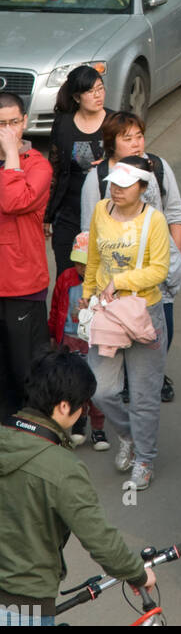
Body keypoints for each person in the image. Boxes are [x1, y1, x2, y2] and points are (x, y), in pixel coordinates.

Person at [0, 346, 156, 625]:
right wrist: (138, 573)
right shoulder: (62, 468)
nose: (84, 411)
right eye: (84, 405)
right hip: (25, 606)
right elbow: (100, 540)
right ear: (63, 406)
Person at [79, 110, 181, 401]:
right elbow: (89, 235)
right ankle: (125, 386)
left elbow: (175, 212)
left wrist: (172, 252)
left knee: (159, 334)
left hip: (158, 278)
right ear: (111, 144)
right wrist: (92, 287)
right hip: (112, 286)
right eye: (128, 139)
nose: (137, 144)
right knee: (115, 341)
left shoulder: (159, 168)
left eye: (140, 136)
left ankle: (149, 378)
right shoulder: (98, 178)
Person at [82, 160, 170, 491]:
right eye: (114, 183)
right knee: (100, 388)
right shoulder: (102, 211)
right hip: (106, 313)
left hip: (145, 315)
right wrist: (89, 294)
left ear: (143, 188)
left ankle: (145, 460)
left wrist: (119, 280)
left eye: (125, 185)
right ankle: (129, 435)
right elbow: (93, 258)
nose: (116, 190)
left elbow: (159, 270)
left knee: (145, 396)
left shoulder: (155, 220)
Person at [0, 93, 52, 421]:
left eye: (13, 123)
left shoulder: (38, 165)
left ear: (25, 122)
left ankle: (36, 430)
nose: (7, 130)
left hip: (23, 284)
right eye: (0, 124)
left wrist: (10, 158)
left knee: (26, 369)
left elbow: (15, 201)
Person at [46, 64, 111, 277]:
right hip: (69, 214)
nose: (98, 95)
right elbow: (55, 170)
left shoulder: (115, 122)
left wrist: (109, 163)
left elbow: (134, 161)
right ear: (76, 97)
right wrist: (48, 214)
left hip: (108, 213)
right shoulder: (63, 124)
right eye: (90, 91)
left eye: (100, 89)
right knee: (68, 276)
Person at [47, 235, 107, 448]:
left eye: (86, 264)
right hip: (70, 340)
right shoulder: (65, 278)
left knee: (97, 386)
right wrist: (53, 334)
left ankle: (98, 429)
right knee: (74, 385)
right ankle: (79, 424)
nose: (81, 268)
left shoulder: (104, 281)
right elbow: (55, 307)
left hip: (94, 341)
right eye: (78, 263)